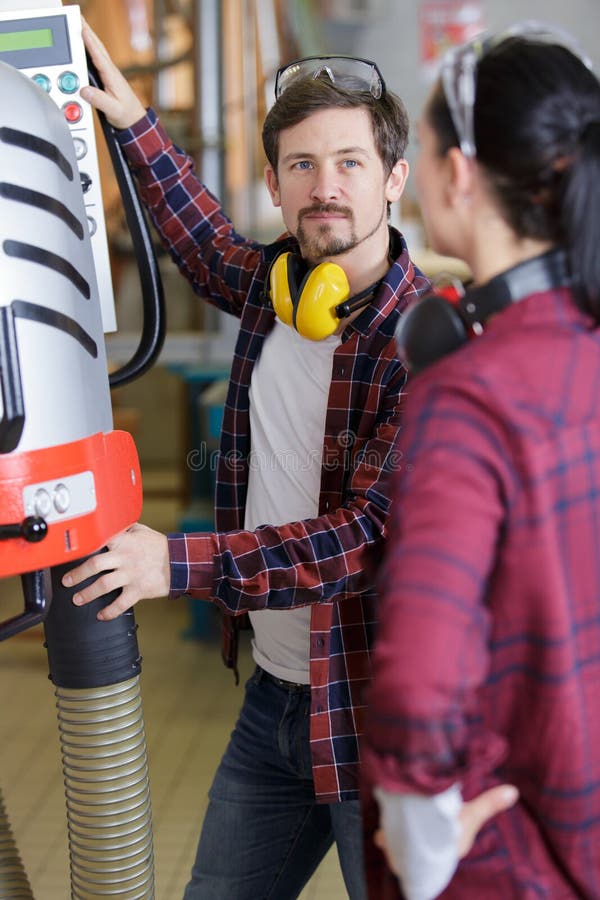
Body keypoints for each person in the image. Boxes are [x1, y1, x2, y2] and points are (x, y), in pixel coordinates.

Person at [64, 22, 430, 899]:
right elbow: (200, 245)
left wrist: (174, 563)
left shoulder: (427, 346)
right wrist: (133, 125)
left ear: (395, 179)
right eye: (301, 165)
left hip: (374, 715)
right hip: (273, 695)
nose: (325, 187)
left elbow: (363, 538)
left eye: (349, 162)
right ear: (274, 182)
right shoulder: (276, 290)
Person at [361, 20, 600, 900]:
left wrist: (421, 848)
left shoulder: (468, 395)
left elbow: (422, 685)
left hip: (509, 856)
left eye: (418, 151)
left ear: (459, 173)